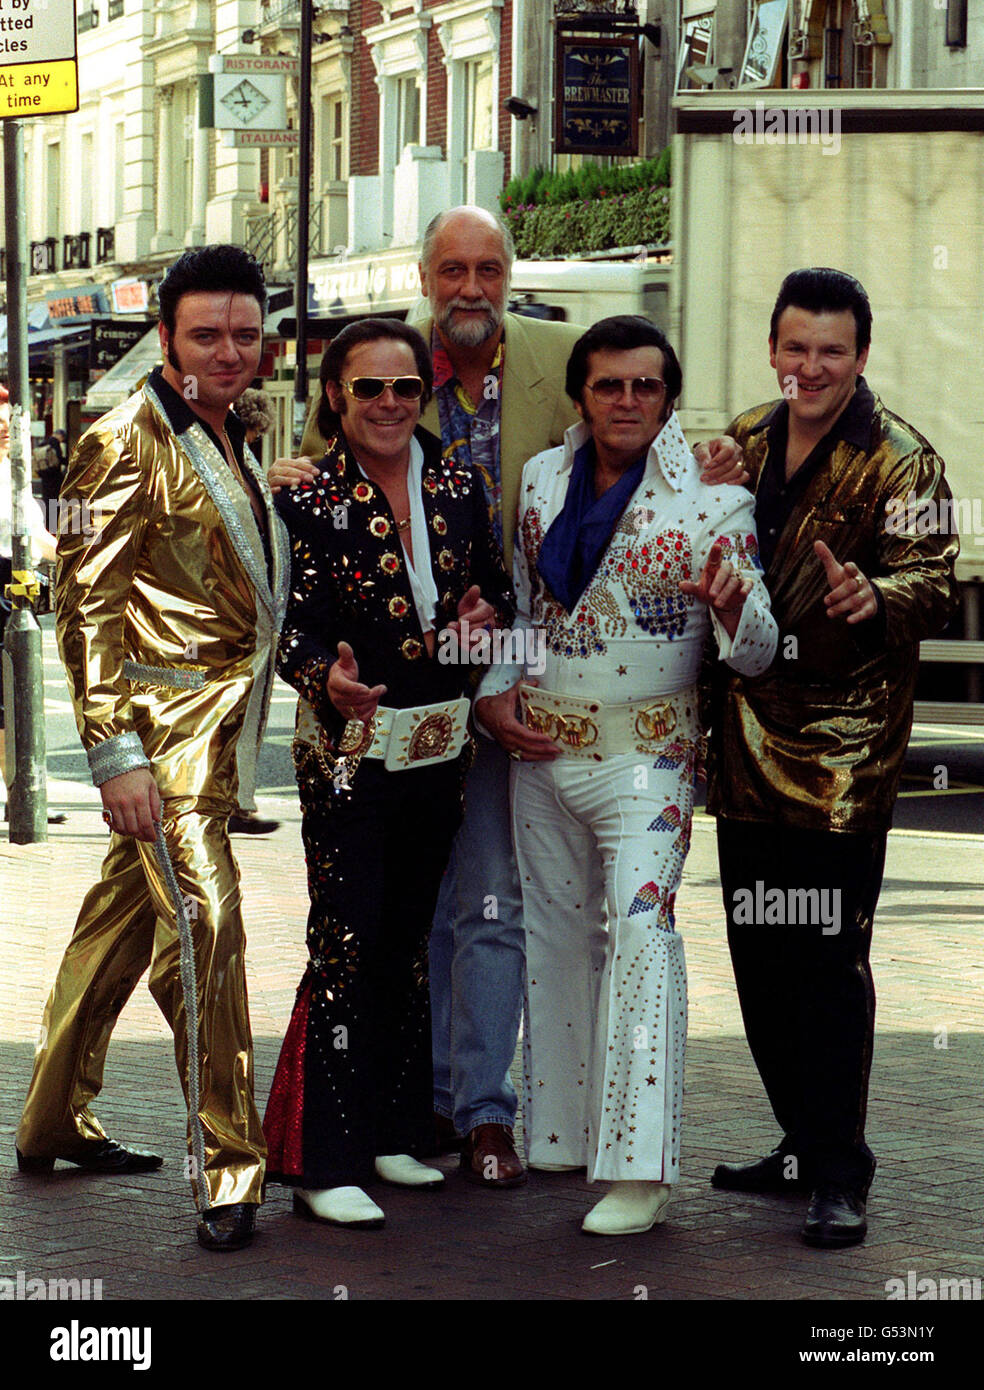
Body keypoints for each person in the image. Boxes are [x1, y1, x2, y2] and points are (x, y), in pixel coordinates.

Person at [273, 205, 747, 1189]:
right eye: (452, 270)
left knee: (488, 906)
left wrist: (702, 463)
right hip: (396, 713)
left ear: (509, 273)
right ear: (424, 274)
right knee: (397, 920)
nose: (471, 289)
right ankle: (400, 1117)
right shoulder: (384, 361)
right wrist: (294, 487)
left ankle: (483, 1111)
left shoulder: (564, 357)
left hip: (524, 685)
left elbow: (638, 435)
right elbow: (307, 548)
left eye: (489, 269)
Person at [475, 315, 777, 1234]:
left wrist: (735, 610)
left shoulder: (714, 501)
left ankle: (642, 1170)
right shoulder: (540, 481)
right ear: (580, 396)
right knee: (556, 937)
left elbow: (760, 652)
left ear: (670, 398)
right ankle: (564, 1132)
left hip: (648, 757)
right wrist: (495, 686)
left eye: (646, 386)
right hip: (544, 750)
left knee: (645, 936)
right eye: (609, 385)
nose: (628, 402)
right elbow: (526, 607)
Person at [15, 245, 288, 1254]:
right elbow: (84, 605)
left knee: (118, 927)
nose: (228, 350)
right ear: (166, 336)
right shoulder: (119, 433)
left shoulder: (236, 437)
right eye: (206, 333)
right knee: (208, 935)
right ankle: (231, 1168)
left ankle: (49, 1119)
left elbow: (241, 601)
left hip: (217, 750)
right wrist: (113, 755)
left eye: (245, 334)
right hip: (159, 752)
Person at [706, 268, 959, 1248]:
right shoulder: (745, 439)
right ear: (772, 349)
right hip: (744, 741)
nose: (812, 366)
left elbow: (933, 580)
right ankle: (802, 1143)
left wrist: (880, 599)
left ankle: (841, 1169)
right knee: (758, 958)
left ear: (862, 357)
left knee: (825, 960)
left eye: (833, 351)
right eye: (796, 347)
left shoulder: (902, 460)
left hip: (842, 756)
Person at [262, 319, 513, 1227]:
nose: (388, 404)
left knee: (409, 941)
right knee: (347, 943)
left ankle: (391, 1132)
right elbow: (283, 623)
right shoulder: (308, 497)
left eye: (404, 388)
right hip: (348, 754)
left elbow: (496, 591)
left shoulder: (458, 483)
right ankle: (318, 1159)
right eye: (368, 388)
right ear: (336, 396)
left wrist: (487, 615)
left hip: (438, 748)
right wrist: (318, 676)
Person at [0, 387, 57, 816]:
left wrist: (85, 550)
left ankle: (22, 791)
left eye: (11, 422)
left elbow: (37, 536)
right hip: (2, 579)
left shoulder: (13, 471)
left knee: (14, 691)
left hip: (16, 586)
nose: (7, 429)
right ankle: (21, 793)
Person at [228, 386, 280, 837]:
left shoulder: (251, 469)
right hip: (228, 611)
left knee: (250, 709)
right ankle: (232, 799)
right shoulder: (237, 469)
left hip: (258, 612)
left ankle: (239, 799)